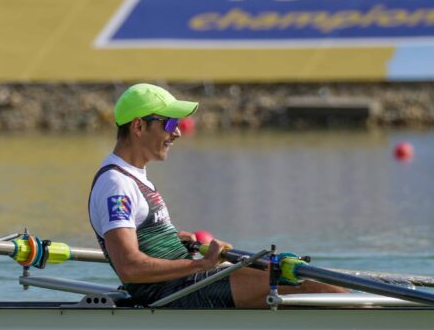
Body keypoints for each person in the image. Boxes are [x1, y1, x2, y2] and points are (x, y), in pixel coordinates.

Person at [87, 84, 346, 308]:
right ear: (139, 126)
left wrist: (175, 239)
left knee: (307, 278)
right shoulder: (116, 184)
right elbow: (129, 267)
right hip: (173, 294)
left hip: (184, 283)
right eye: (169, 123)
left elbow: (137, 234)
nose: (176, 132)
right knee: (318, 288)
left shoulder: (132, 176)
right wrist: (202, 265)